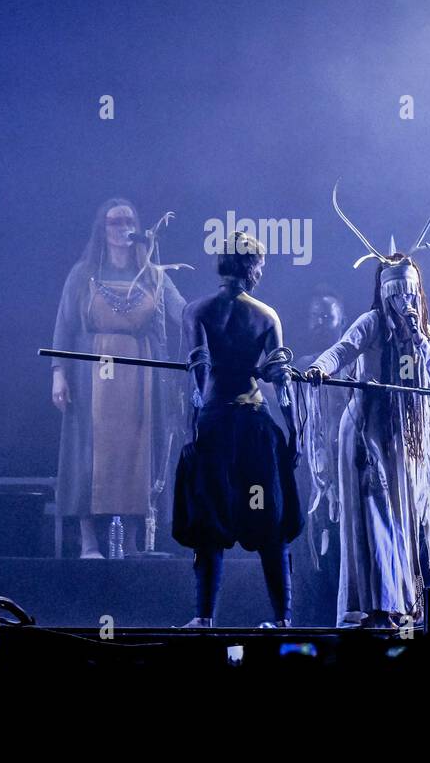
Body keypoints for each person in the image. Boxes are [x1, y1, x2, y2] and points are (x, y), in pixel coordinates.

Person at [306, 255, 430, 629]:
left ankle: (398, 601)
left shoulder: (423, 334)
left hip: (404, 437)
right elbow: (343, 350)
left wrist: (418, 337)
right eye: (397, 295)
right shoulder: (371, 324)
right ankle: (377, 606)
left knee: (402, 521)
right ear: (385, 294)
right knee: (375, 516)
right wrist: (321, 368)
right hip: (367, 432)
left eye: (410, 294)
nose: (404, 303)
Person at [172, 232, 302, 627]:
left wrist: (192, 427)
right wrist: (295, 430)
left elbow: (199, 372)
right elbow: (280, 382)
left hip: (215, 426)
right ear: (251, 267)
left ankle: (206, 618)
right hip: (253, 429)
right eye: (260, 264)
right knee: (268, 521)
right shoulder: (266, 315)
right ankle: (280, 619)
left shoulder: (197, 310)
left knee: (212, 523)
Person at [51, 199, 187, 559]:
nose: (121, 227)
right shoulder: (82, 274)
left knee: (135, 457)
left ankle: (128, 543)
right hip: (90, 375)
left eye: (128, 220)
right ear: (102, 229)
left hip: (139, 377)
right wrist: (59, 374)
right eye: (114, 222)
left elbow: (182, 313)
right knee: (88, 456)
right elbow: (64, 327)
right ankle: (89, 542)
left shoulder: (154, 275)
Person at [291, 286, 349, 626]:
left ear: (340, 321)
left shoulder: (353, 364)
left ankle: (340, 611)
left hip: (344, 467)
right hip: (310, 469)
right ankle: (307, 616)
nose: (320, 322)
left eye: (327, 316)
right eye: (315, 316)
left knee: (340, 541)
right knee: (309, 539)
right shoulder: (301, 366)